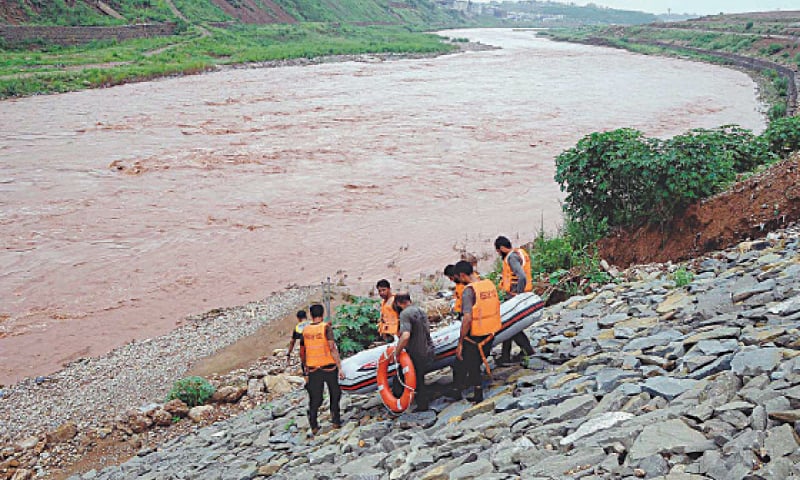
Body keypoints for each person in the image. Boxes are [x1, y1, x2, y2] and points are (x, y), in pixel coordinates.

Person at [453, 260, 502, 403]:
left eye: (458, 278)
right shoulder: (488, 284)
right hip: (490, 332)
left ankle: (476, 394)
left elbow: (467, 318)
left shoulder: (469, 291)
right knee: (473, 363)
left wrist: (460, 341)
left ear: (462, 275)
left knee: (463, 363)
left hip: (475, 336)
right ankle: (468, 389)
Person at [300, 304, 344, 436]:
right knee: (335, 393)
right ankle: (335, 420)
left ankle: (314, 425)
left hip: (313, 369)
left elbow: (302, 351)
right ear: (323, 314)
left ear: (311, 315)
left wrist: (305, 367)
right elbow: (332, 348)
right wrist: (340, 367)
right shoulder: (326, 328)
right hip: (329, 367)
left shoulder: (305, 330)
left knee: (315, 398)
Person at [390, 292, 435, 412]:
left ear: (399, 303)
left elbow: (405, 336)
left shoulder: (405, 314)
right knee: (420, 378)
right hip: (428, 349)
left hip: (416, 352)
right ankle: (422, 403)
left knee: (401, 378)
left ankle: (406, 406)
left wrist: (397, 352)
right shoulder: (420, 310)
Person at [494, 236, 536, 366]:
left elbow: (522, 276)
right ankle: (506, 355)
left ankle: (527, 350)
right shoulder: (519, 253)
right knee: (510, 326)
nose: (498, 253)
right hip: (518, 294)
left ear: (501, 248)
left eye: (497, 251)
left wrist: (518, 294)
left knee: (510, 327)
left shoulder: (512, 258)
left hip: (514, 296)